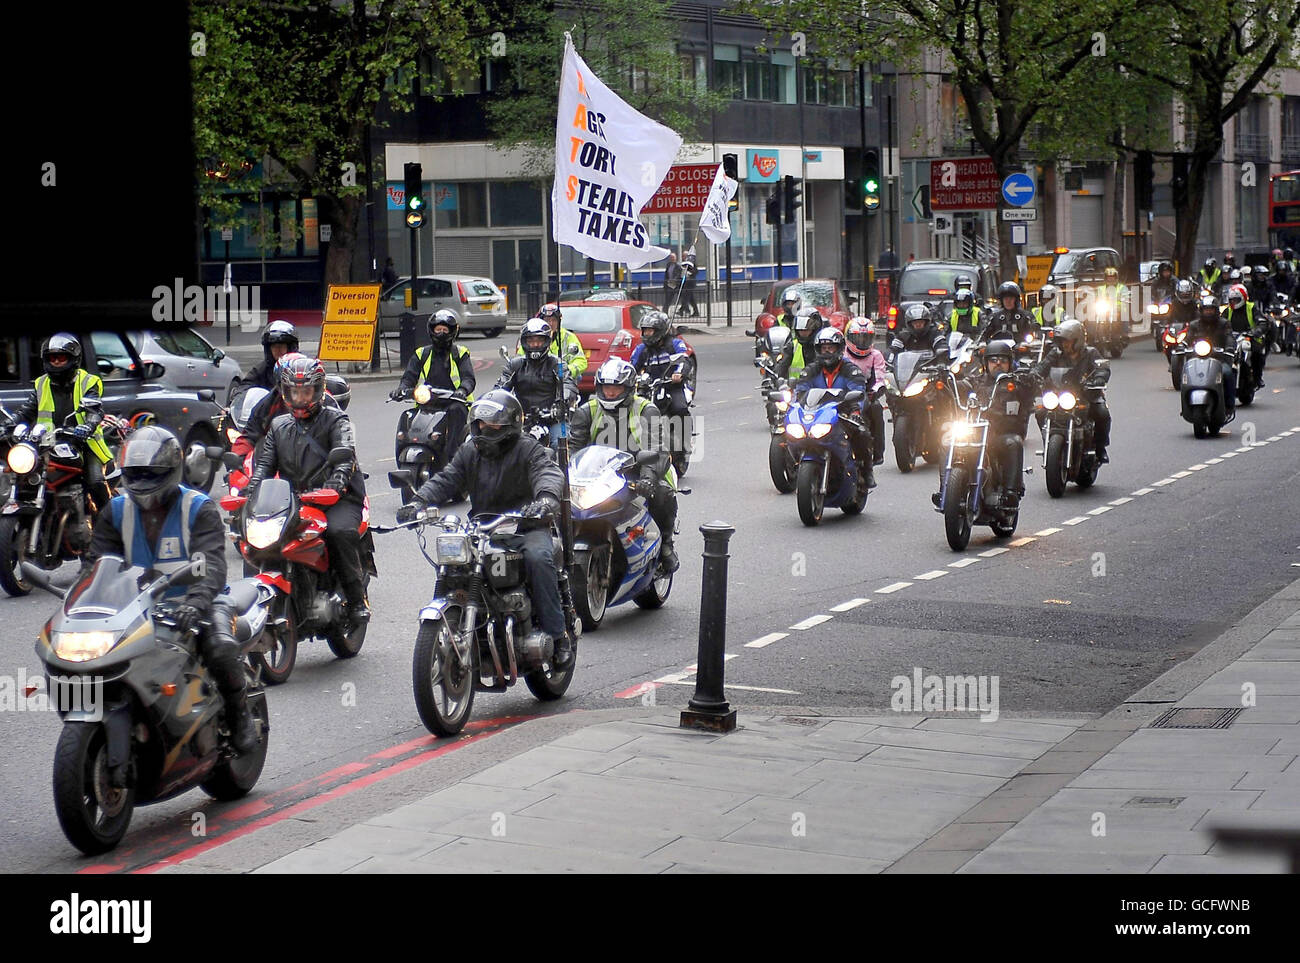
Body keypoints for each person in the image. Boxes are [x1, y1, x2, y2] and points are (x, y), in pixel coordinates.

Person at [82, 426, 258, 753]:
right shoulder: (115, 511)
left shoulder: (198, 508)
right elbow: (95, 566)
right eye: (136, 474)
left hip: (200, 602)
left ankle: (240, 715)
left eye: (152, 474)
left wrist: (196, 603)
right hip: (137, 610)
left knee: (219, 646)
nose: (143, 482)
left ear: (171, 471)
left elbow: (214, 567)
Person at [397, 390, 571, 666]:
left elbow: (547, 473)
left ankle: (557, 634)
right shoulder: (470, 451)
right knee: (456, 566)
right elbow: (447, 479)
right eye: (480, 424)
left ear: (511, 425)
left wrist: (545, 500)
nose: (485, 429)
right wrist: (418, 502)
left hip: (525, 526)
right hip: (484, 527)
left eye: (493, 425)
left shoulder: (529, 449)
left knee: (539, 559)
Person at [245, 356, 371, 635]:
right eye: (294, 392)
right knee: (258, 537)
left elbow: (344, 457)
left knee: (338, 533)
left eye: (306, 391)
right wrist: (252, 489)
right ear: (286, 393)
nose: (300, 398)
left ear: (318, 390)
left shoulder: (336, 419)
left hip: (339, 498)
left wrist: (336, 485)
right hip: (295, 500)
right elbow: (265, 465)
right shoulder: (278, 426)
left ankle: (355, 599)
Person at [569, 358, 679, 573]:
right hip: (597, 477)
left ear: (628, 389)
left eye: (616, 388)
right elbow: (574, 450)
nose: (610, 393)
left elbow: (656, 449)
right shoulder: (586, 411)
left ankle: (666, 545)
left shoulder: (647, 410)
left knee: (663, 495)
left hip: (637, 473)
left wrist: (648, 479)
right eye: (606, 388)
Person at [932, 340, 1040, 511]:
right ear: (986, 363)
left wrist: (1030, 378)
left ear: (1010, 363)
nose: (998, 364)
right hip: (975, 432)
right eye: (993, 360)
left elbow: (1031, 390)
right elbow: (959, 387)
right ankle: (944, 489)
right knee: (947, 440)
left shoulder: (1017, 382)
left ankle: (1011, 492)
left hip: (1001, 433)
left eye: (1003, 361)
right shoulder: (976, 381)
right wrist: (944, 380)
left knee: (1013, 443)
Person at [12, 333, 114, 512]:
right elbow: (27, 411)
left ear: (74, 359)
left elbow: (95, 410)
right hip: (47, 444)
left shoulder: (88, 382)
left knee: (95, 481)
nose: (56, 362)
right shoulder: (40, 383)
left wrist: (88, 426)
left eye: (61, 357)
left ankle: (109, 524)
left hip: (84, 444)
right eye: (52, 358)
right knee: (22, 476)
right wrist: (8, 424)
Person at [795, 327, 876, 489]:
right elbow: (800, 392)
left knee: (862, 433)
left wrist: (855, 411)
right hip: (817, 414)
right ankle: (793, 465)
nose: (827, 352)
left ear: (839, 349)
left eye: (830, 348)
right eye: (823, 348)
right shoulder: (811, 370)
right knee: (790, 432)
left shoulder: (851, 370)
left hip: (842, 414)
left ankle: (867, 471)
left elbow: (858, 392)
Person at [389, 308, 475, 457]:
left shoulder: (460, 353)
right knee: (408, 416)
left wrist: (462, 390)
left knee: (456, 412)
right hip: (427, 401)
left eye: (445, 330)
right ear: (431, 331)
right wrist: (401, 390)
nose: (441, 333)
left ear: (452, 332)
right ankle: (405, 451)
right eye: (438, 329)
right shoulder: (421, 353)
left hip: (454, 401)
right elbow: (409, 378)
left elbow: (468, 378)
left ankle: (453, 458)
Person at [1031, 319, 1112, 463]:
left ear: (1077, 340)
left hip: (1085, 394)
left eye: (1067, 341)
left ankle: (1100, 448)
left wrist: (1099, 378)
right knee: (1040, 412)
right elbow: (1042, 366)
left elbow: (1102, 369)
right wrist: (1034, 375)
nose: (1064, 344)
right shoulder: (1056, 354)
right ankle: (1049, 443)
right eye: (1062, 341)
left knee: (1102, 414)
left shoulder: (1090, 353)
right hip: (1060, 394)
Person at [498, 318, 578, 447]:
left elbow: (568, 384)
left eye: (539, 340)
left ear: (547, 341)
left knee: (560, 444)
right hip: (521, 420)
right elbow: (500, 388)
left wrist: (561, 403)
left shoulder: (557, 364)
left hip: (552, 419)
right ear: (524, 342)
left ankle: (561, 467)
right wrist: (492, 402)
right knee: (499, 442)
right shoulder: (515, 365)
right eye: (531, 341)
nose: (535, 345)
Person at [630, 310, 692, 465]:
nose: (646, 334)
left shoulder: (675, 344)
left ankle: (684, 446)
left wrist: (679, 374)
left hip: (672, 386)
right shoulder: (642, 349)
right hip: (649, 388)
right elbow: (631, 368)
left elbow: (685, 360)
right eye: (644, 330)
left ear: (660, 331)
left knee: (680, 409)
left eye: (649, 330)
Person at [844, 318, 887, 466]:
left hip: (865, 394)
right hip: (841, 394)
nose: (862, 341)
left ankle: (877, 452)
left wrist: (875, 391)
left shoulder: (876, 355)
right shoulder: (842, 354)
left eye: (866, 338)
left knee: (876, 408)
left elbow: (880, 377)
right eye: (858, 337)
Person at [229, 319, 299, 403]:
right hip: (269, 413)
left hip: (298, 412)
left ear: (291, 347)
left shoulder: (302, 367)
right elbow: (246, 385)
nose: (277, 350)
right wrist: (238, 398)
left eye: (281, 346)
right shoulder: (263, 368)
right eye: (274, 347)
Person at [1188, 293, 1236, 411]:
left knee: (1228, 373)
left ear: (1216, 311)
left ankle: (1229, 405)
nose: (1208, 312)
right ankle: (1186, 403)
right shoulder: (1194, 324)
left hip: (1219, 359)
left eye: (1211, 310)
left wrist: (1229, 348)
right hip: (1197, 359)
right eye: (1206, 310)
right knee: (1186, 375)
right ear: (1201, 311)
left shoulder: (1224, 323)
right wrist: (1182, 345)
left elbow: (1229, 337)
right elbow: (1187, 339)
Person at [518, 303, 588, 382]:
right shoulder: (531, 337)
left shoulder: (569, 337)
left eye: (554, 320)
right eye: (547, 320)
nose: (551, 323)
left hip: (561, 380)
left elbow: (581, 361)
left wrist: (565, 370)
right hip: (535, 379)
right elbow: (520, 358)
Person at [1223, 284, 1266, 388]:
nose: (1233, 302)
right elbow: (1220, 322)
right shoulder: (1227, 310)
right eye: (1231, 300)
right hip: (1231, 338)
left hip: (1249, 337)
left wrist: (1256, 331)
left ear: (1243, 298)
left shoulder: (1252, 308)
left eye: (1236, 300)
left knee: (1257, 353)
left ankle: (1257, 377)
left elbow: (1262, 322)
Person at [679, 251, 700, 318]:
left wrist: (690, 273)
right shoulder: (683, 263)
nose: (683, 257)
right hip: (685, 283)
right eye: (682, 256)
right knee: (691, 299)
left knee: (686, 298)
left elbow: (695, 271)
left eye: (684, 256)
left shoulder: (691, 263)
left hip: (690, 283)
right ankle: (696, 312)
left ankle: (681, 310)